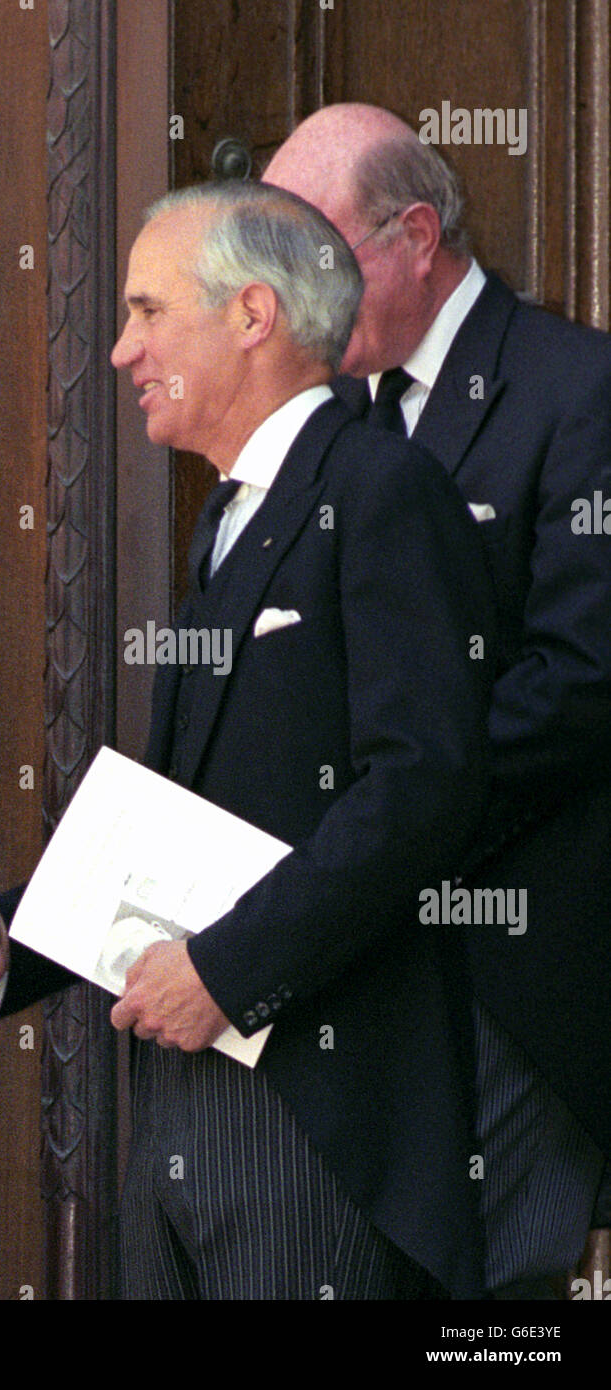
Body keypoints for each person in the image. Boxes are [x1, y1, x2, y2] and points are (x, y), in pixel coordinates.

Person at [0, 180, 498, 1299]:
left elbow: (424, 785)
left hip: (313, 1122)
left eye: (146, 311)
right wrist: (14, 942)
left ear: (251, 315)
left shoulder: (380, 488)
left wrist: (226, 971)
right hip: (184, 1114)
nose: (124, 348)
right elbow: (194, 820)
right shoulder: (226, 521)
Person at [264, 102, 611, 1298]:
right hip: (366, 973)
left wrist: (387, 815)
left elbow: (580, 684)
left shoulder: (578, 391)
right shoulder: (328, 428)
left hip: (516, 971)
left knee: (496, 1296)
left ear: (416, 233)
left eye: (314, 255)